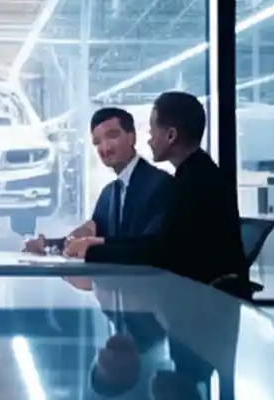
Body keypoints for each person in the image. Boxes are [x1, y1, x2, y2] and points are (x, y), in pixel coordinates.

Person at [64, 92, 244, 285]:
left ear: (171, 135)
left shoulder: (189, 184)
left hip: (201, 301)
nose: (149, 140)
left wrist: (95, 248)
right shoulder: (197, 173)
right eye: (97, 142)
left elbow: (157, 249)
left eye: (152, 131)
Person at [23, 107, 172, 254]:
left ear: (132, 137)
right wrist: (46, 246)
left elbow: (152, 247)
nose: (105, 148)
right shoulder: (108, 194)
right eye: (97, 142)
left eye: (112, 136)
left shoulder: (162, 185)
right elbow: (87, 240)